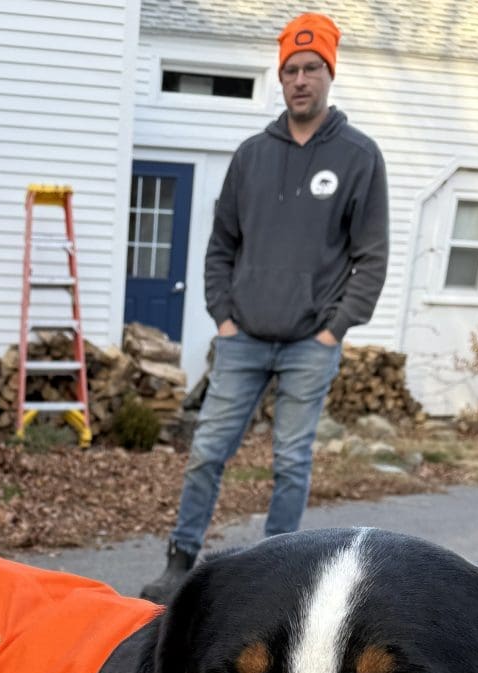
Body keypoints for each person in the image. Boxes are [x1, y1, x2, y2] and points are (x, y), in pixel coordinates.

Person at [141, 12, 389, 603]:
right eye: (291, 70)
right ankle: (180, 560)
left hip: (311, 343)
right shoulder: (252, 155)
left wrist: (334, 330)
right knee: (207, 451)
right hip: (244, 337)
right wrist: (224, 318)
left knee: (290, 461)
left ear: (330, 73)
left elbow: (371, 256)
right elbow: (220, 244)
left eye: (311, 68)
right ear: (281, 79)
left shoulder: (358, 157)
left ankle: (280, 572)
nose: (300, 79)